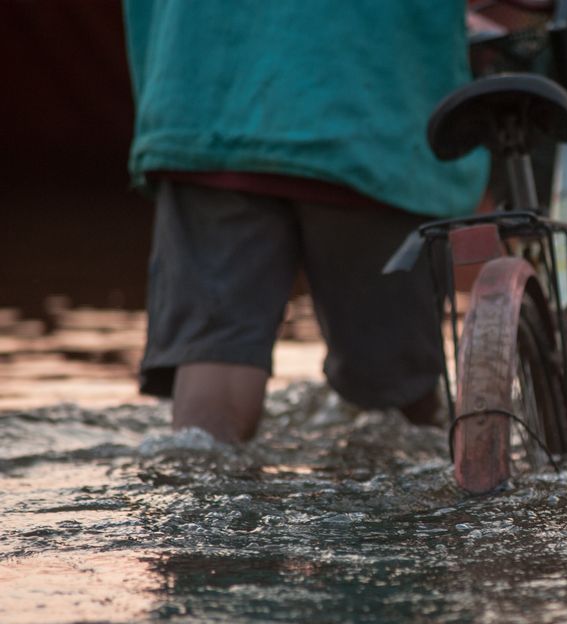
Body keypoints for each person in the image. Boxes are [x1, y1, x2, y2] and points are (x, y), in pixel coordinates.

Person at [123, 1, 488, 442]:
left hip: (203, 101)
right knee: (393, 401)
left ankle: (199, 491)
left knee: (214, 368)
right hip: (371, 119)